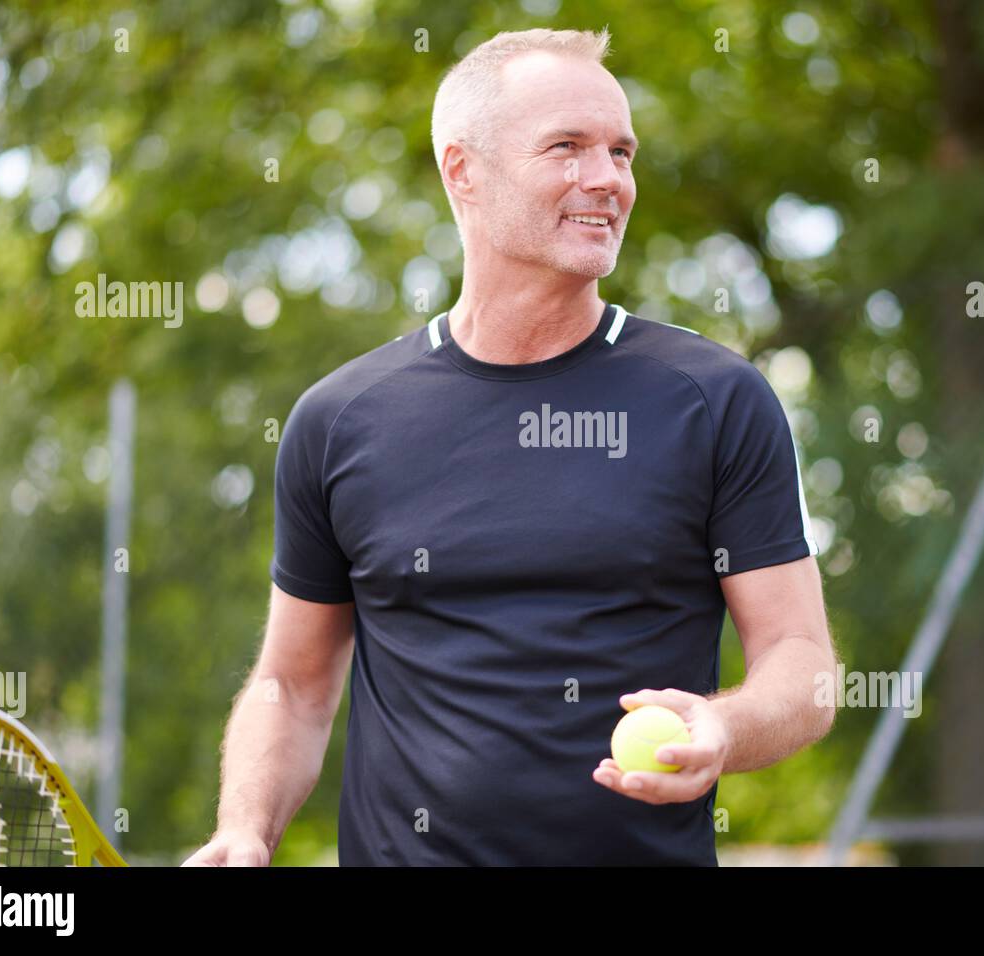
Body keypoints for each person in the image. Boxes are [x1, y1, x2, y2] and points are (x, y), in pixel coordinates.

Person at [184, 26, 836, 867]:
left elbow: (803, 663)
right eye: (567, 147)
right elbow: (293, 685)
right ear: (464, 170)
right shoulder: (339, 421)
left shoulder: (715, 400)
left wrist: (724, 725)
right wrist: (244, 827)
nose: (607, 179)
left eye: (621, 151)